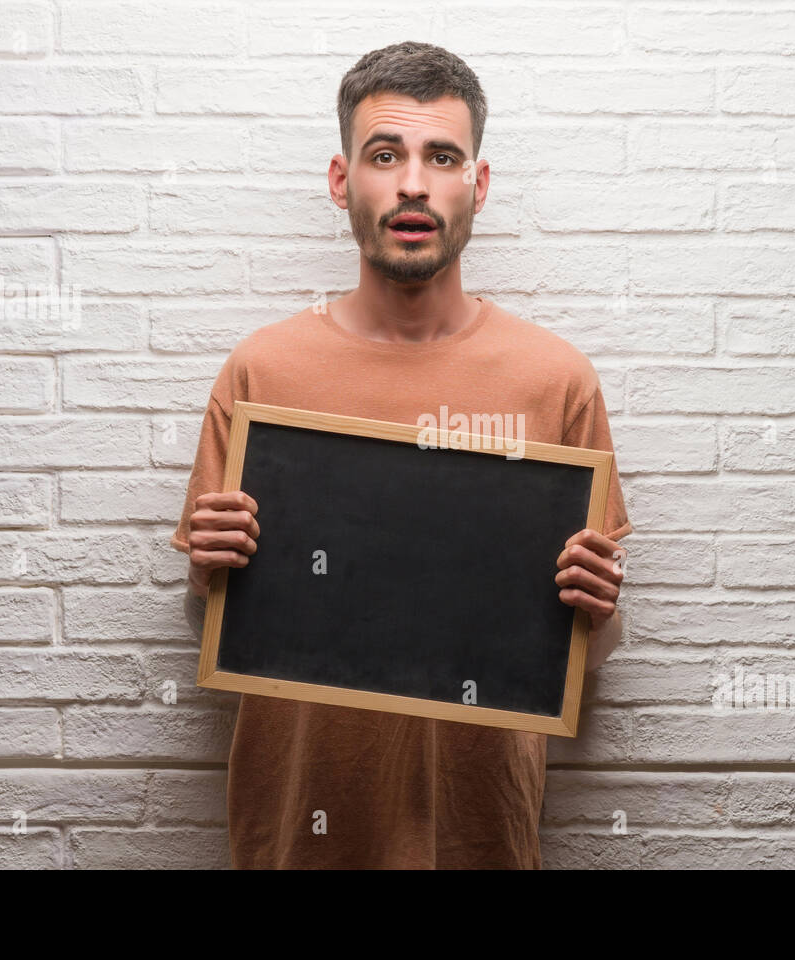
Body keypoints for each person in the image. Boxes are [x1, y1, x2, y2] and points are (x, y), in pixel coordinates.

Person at [171, 40, 632, 869]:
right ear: (342, 179)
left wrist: (597, 610)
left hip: (478, 843)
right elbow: (210, 620)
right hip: (296, 843)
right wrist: (207, 571)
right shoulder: (262, 372)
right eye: (385, 155)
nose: (413, 183)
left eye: (441, 157)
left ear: (477, 185)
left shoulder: (555, 380)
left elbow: (588, 654)